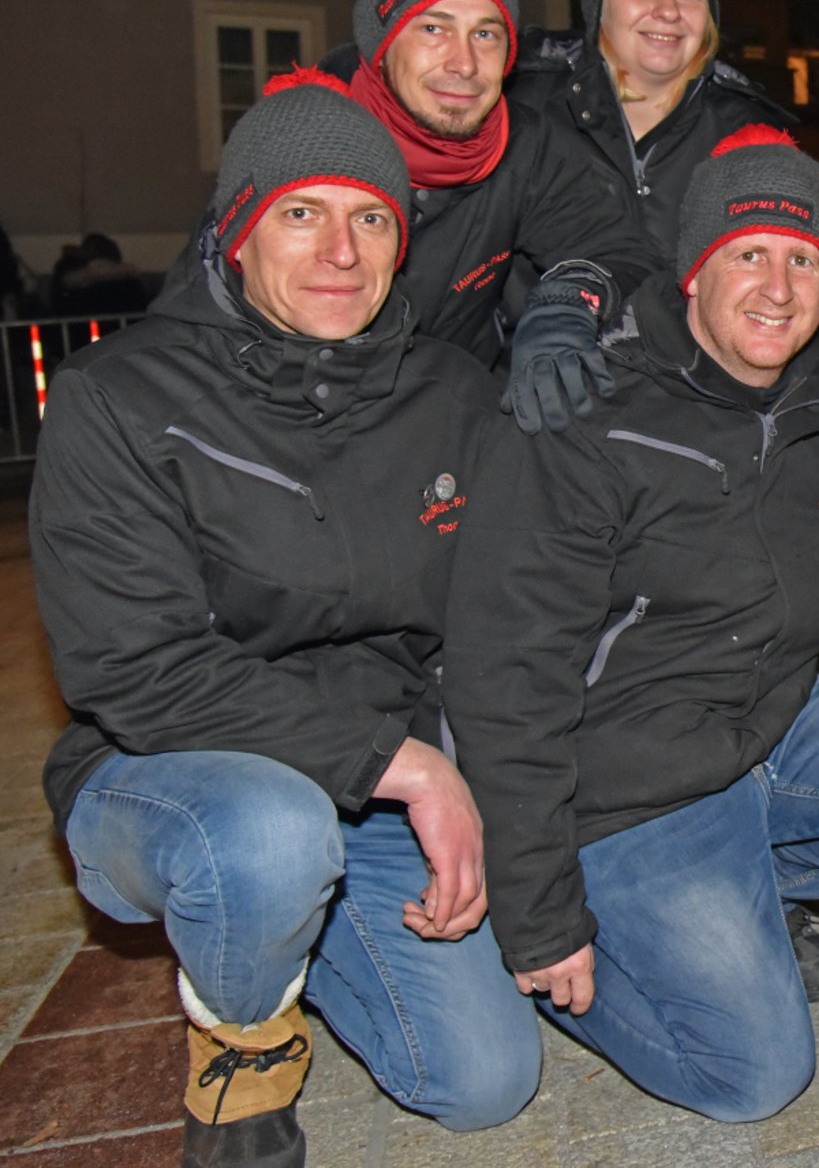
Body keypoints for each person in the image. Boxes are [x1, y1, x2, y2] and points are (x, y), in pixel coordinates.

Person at [442, 127, 819, 1117]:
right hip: (622, 786)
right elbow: (505, 683)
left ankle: (742, 891)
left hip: (770, 723)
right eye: (747, 252)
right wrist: (542, 916)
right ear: (694, 268)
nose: (779, 284)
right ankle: (573, 926)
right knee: (753, 1076)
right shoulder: (585, 408)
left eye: (804, 258)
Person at [30, 71, 538, 1168]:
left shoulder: (452, 395)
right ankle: (243, 1051)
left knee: (485, 1082)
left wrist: (493, 791)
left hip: (373, 782)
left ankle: (298, 932)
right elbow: (133, 666)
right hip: (175, 766)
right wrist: (407, 766)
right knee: (267, 831)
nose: (339, 252)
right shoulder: (116, 398)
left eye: (371, 219)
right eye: (301, 213)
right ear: (238, 233)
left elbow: (504, 623)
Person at [326, 0, 658, 432]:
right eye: (433, 28)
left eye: (486, 33)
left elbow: (620, 247)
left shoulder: (520, 144)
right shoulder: (303, 145)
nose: (464, 63)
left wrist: (568, 298)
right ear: (381, 44)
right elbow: (207, 316)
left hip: (455, 427)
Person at [510, 0, 793, 368]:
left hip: (690, 410)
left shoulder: (751, 135)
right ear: (600, 3)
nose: (667, 11)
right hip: (535, 396)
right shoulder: (524, 108)